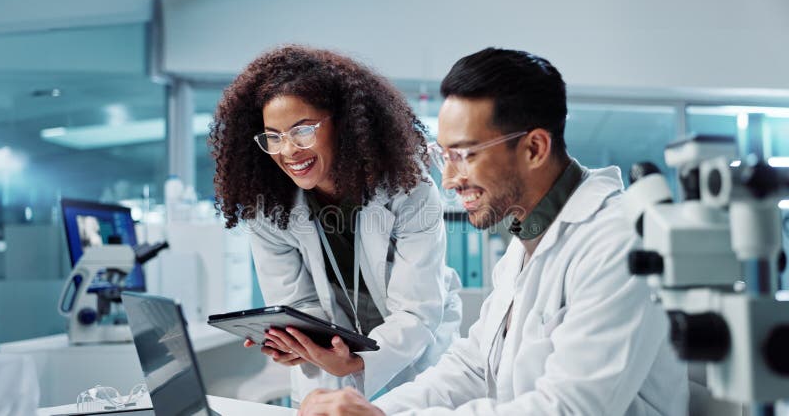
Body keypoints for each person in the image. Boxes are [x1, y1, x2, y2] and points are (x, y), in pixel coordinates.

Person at [299, 48, 689, 415]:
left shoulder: (618, 242)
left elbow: (569, 408)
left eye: (464, 155)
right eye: (443, 156)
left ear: (534, 149)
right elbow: (472, 368)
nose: (449, 179)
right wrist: (376, 410)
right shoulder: (526, 241)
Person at [208, 45, 462, 406]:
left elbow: (416, 311)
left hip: (413, 349)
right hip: (332, 360)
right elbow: (298, 303)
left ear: (342, 123)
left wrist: (356, 362)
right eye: (273, 137)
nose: (288, 151)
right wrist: (302, 342)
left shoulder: (408, 190)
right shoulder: (268, 208)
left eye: (302, 130)